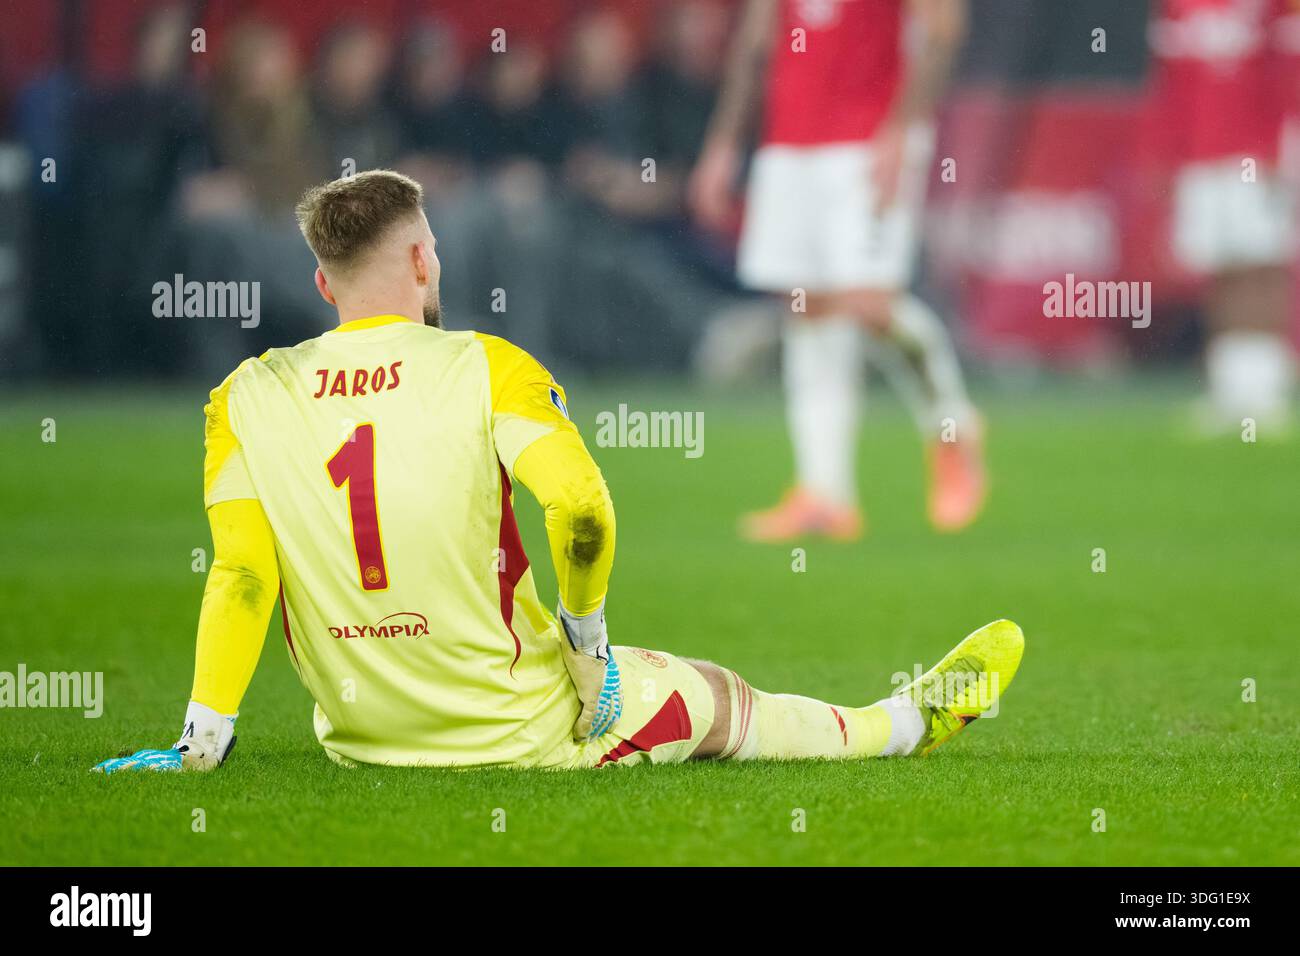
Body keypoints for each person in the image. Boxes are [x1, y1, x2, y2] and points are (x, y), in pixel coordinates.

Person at [92, 171, 1022, 774]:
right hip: (516, 731)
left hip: (363, 743)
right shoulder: (487, 366)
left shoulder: (243, 394)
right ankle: (901, 725)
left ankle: (207, 743)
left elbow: (244, 576)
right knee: (712, 697)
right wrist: (588, 650)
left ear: (326, 286)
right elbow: (580, 507)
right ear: (423, 259)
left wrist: (200, 740)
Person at [690, 0, 986, 540]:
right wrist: (724, 142)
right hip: (791, 139)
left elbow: (943, 28)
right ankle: (825, 493)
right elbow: (759, 39)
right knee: (808, 308)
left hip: (869, 138)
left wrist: (902, 129)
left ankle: (952, 427)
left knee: (870, 306)